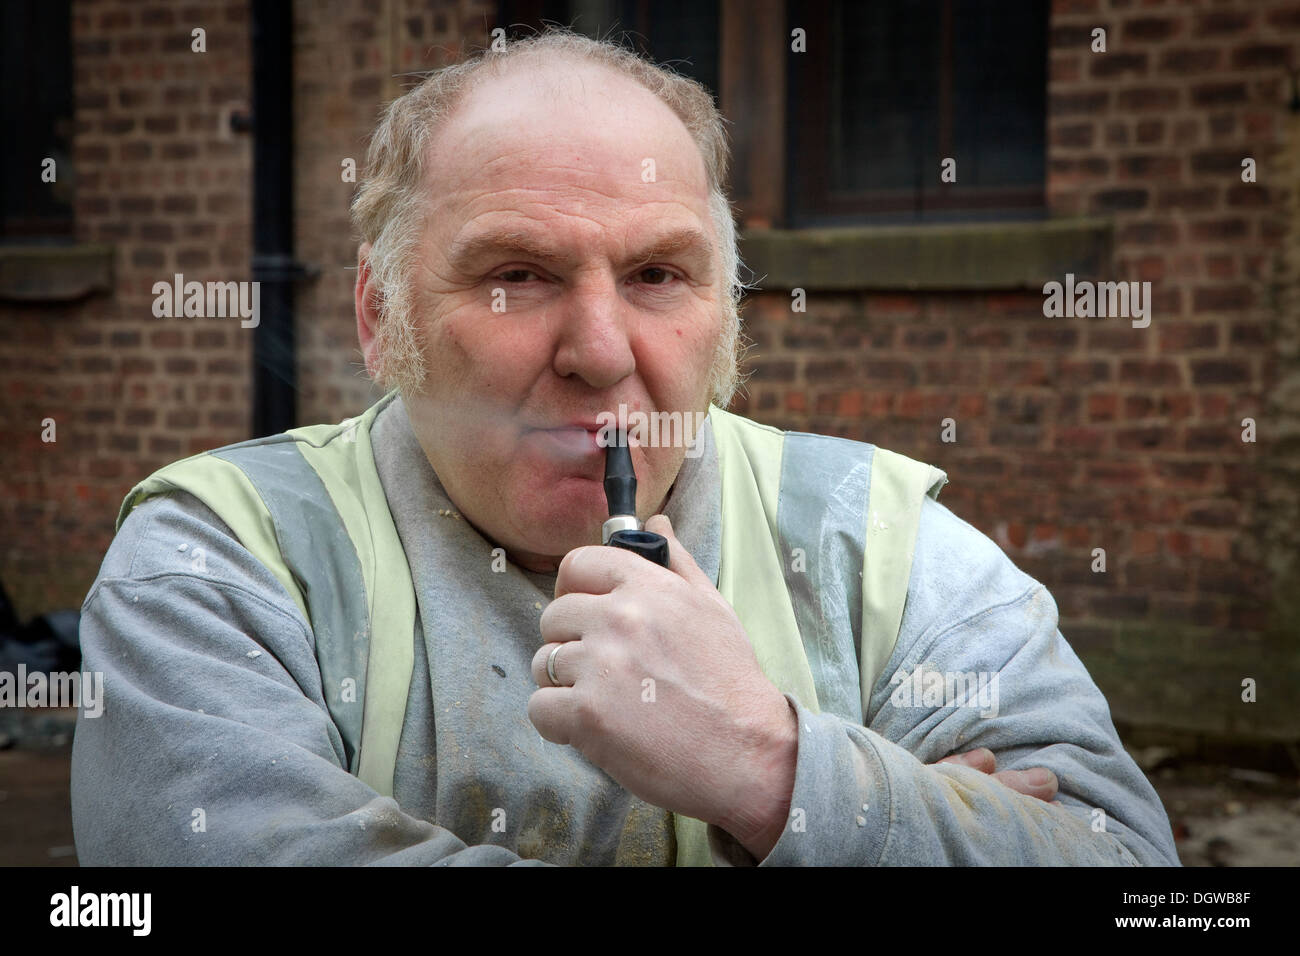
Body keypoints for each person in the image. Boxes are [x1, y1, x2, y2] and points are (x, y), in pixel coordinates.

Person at [71, 28, 1180, 866]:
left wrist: (771, 762)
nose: (601, 351)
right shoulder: (221, 559)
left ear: (726, 315)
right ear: (379, 317)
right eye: (516, 273)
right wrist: (882, 816)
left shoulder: (877, 541)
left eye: (657, 274)